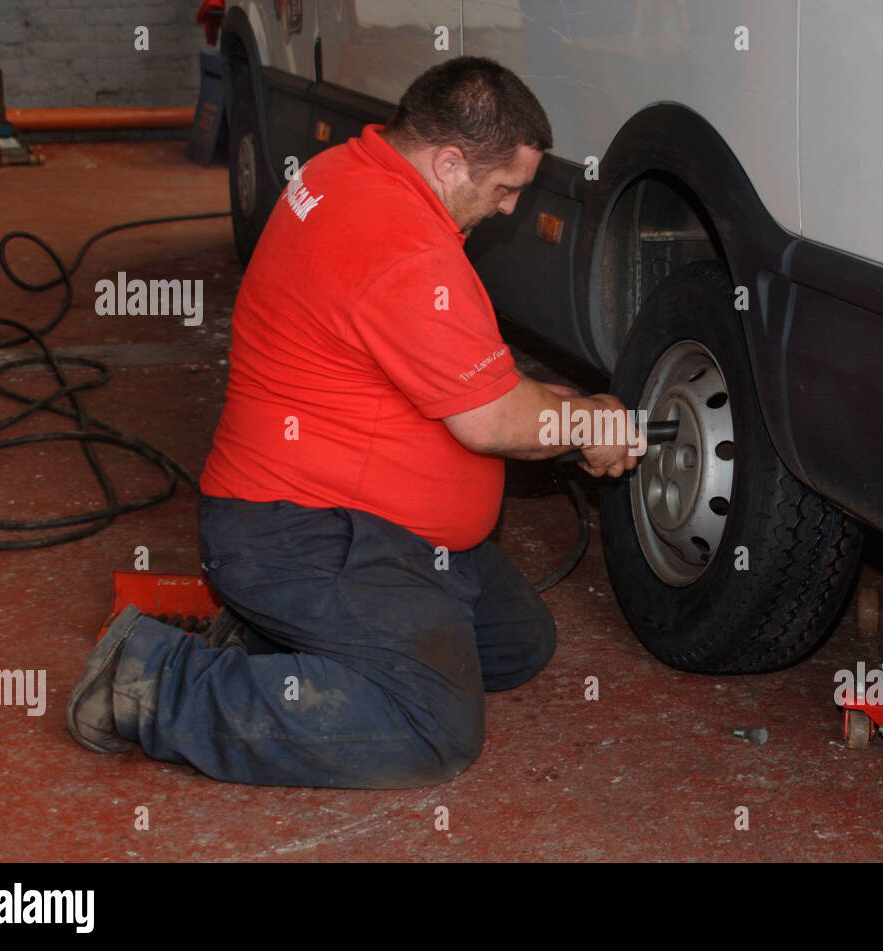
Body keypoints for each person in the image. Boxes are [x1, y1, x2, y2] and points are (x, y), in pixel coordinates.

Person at [67, 57, 640, 789]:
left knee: (515, 643)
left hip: (363, 523)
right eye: (505, 190)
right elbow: (494, 418)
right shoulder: (403, 247)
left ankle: (282, 636)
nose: (507, 210)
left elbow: (482, 380)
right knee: (432, 724)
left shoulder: (350, 169)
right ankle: (147, 679)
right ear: (451, 161)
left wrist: (574, 414)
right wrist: (588, 424)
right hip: (299, 529)